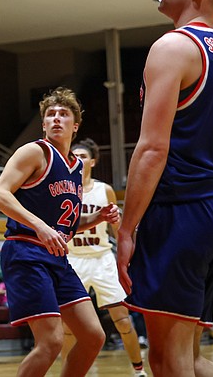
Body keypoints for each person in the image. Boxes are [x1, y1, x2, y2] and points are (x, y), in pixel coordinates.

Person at [116, 0, 213, 377]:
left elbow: (152, 149)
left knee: (170, 362)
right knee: (185, 359)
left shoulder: (173, 47)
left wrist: (127, 228)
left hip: (180, 212)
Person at [0, 87, 119, 377]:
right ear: (44, 124)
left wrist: (98, 216)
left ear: (75, 126)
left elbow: (67, 224)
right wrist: (40, 226)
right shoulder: (35, 152)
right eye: (51, 114)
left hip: (56, 257)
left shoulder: (75, 167)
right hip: (25, 251)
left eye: (64, 114)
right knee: (50, 341)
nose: (56, 118)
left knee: (93, 336)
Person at [63, 140, 147, 377]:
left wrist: (125, 257)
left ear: (93, 161)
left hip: (101, 258)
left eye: (83, 155)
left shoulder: (105, 190)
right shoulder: (63, 189)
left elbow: (117, 230)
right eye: (74, 155)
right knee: (68, 328)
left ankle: (139, 371)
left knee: (122, 320)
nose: (78, 158)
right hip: (73, 259)